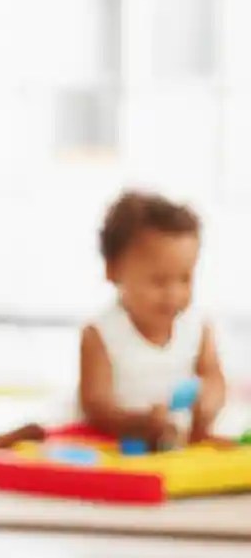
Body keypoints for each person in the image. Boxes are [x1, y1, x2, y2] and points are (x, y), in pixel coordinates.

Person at [78, 190, 226, 449]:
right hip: (117, 445)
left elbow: (214, 378)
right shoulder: (101, 333)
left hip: (176, 446)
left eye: (185, 278)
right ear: (113, 270)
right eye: (159, 281)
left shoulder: (197, 328)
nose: (174, 294)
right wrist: (140, 423)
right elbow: (96, 404)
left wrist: (208, 404)